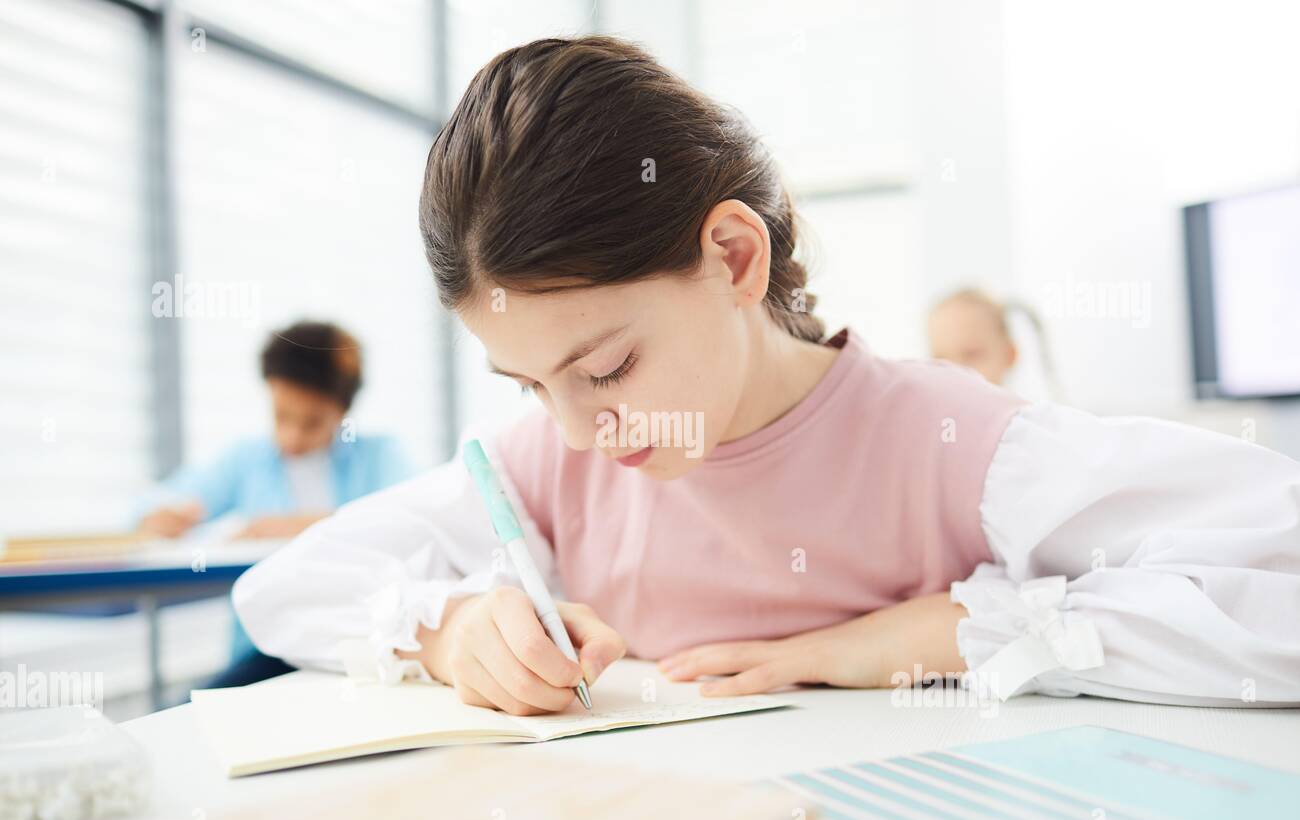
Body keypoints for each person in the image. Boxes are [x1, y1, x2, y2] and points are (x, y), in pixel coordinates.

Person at [233, 37, 1299, 711]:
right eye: (527, 384)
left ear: (734, 257)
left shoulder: (947, 443)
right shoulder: (548, 470)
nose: (573, 429)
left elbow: (1281, 588)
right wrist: (454, 626)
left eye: (606, 365)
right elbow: (280, 588)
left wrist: (934, 636)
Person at [137, 320, 414, 687]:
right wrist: (163, 514)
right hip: (269, 647)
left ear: (343, 412)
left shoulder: (381, 456)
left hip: (360, 640)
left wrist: (294, 526)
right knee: (203, 708)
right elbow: (153, 504)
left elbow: (407, 520)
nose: (292, 436)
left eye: (312, 422)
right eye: (281, 415)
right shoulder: (248, 460)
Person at [927, 287, 1058, 399]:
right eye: (940, 360)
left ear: (1009, 355)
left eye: (972, 354)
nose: (955, 372)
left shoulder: (1025, 425)